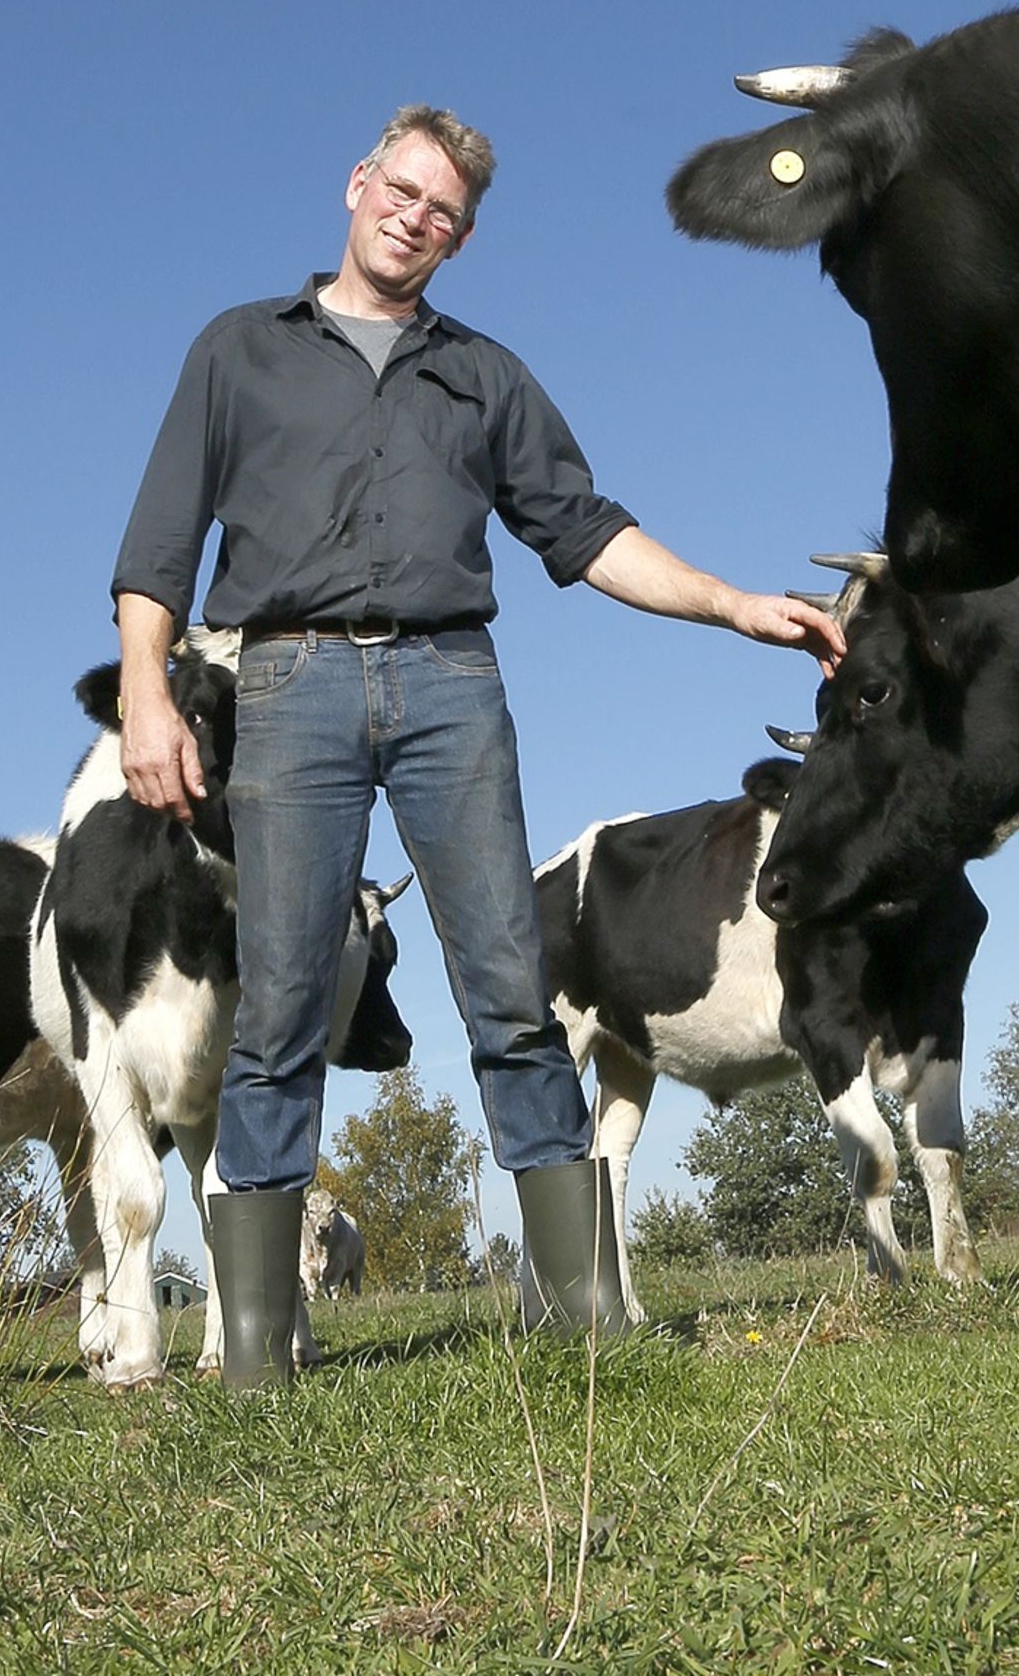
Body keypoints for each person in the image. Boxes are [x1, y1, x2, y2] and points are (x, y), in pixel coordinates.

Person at [109, 104, 843, 1388]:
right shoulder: (239, 348)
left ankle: (580, 1327)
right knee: (279, 1005)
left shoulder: (485, 376)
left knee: (508, 989)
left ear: (458, 239)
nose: (413, 218)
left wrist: (731, 604)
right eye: (400, 191)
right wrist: (144, 694)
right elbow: (161, 539)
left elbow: (584, 530)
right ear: (356, 184)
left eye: (441, 212)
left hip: (449, 684)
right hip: (285, 680)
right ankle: (256, 1358)